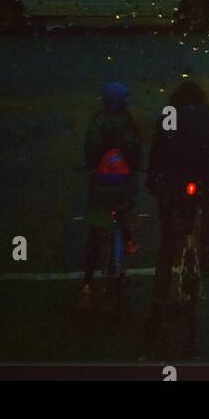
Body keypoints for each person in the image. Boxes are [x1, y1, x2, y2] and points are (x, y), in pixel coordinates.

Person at [146, 80, 209, 320]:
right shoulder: (208, 116)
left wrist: (153, 181)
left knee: (168, 245)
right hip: (203, 182)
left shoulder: (170, 115)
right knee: (208, 211)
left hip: (173, 185)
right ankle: (205, 253)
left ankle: (157, 302)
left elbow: (158, 152)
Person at [79, 82, 144, 311]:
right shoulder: (130, 123)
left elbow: (89, 153)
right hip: (124, 183)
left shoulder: (97, 123)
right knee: (125, 207)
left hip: (101, 184)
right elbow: (136, 155)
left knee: (95, 235)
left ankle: (86, 284)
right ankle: (128, 240)